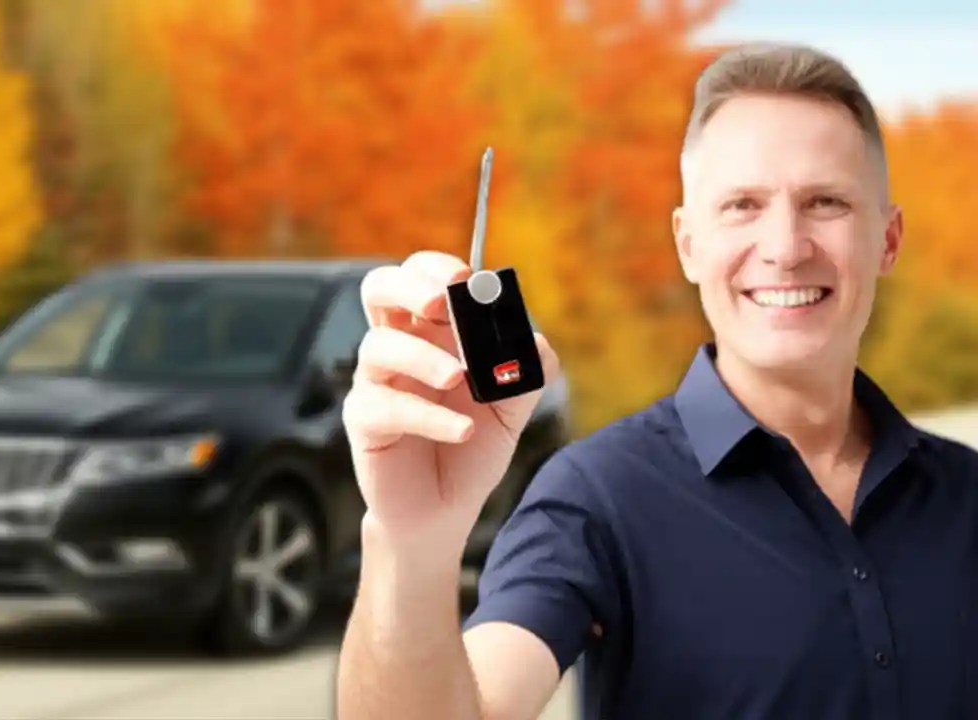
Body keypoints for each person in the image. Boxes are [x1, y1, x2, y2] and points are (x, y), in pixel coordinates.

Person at [334, 41, 978, 720]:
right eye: (742, 205)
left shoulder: (968, 499)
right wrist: (411, 545)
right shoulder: (597, 498)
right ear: (687, 243)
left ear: (889, 239)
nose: (786, 248)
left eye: (825, 202)